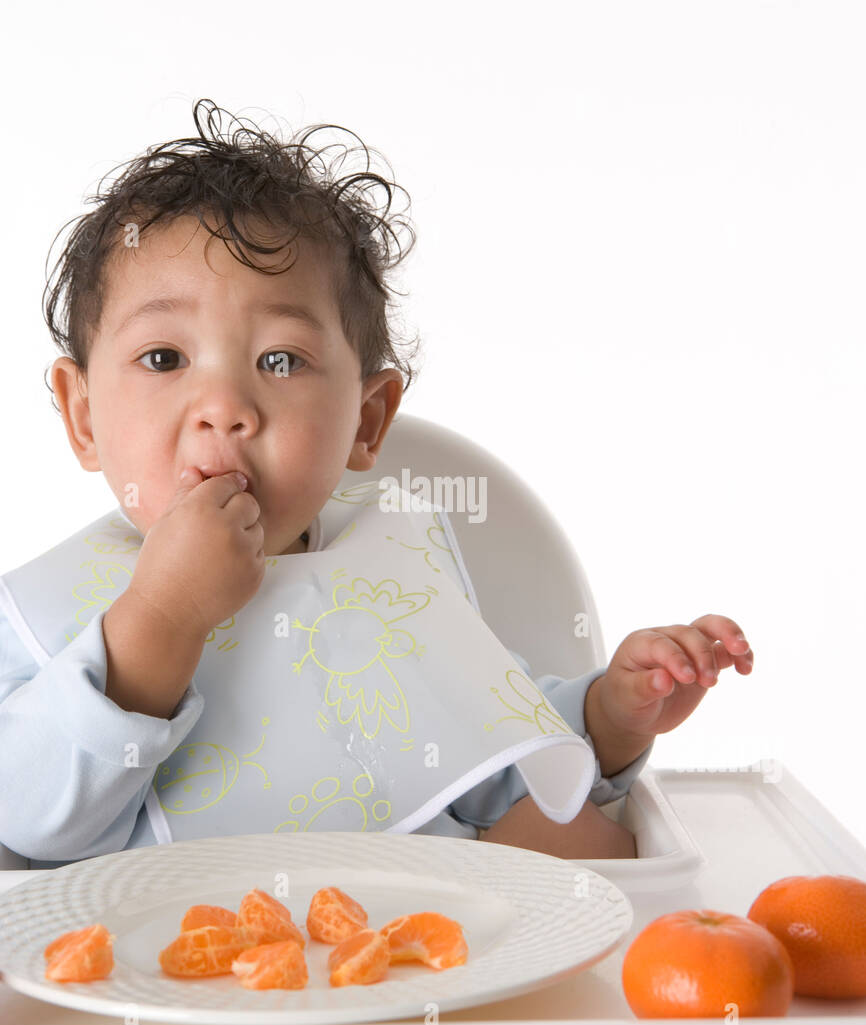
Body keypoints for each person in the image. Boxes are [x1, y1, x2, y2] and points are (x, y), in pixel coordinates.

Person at [0, 101, 753, 869]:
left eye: (280, 360)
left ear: (367, 420)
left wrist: (610, 716)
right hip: (175, 965)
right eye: (164, 358)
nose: (225, 409)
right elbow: (28, 824)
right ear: (83, 415)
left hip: (429, 955)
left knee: (561, 832)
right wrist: (160, 617)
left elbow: (486, 754)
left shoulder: (389, 559)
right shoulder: (39, 611)